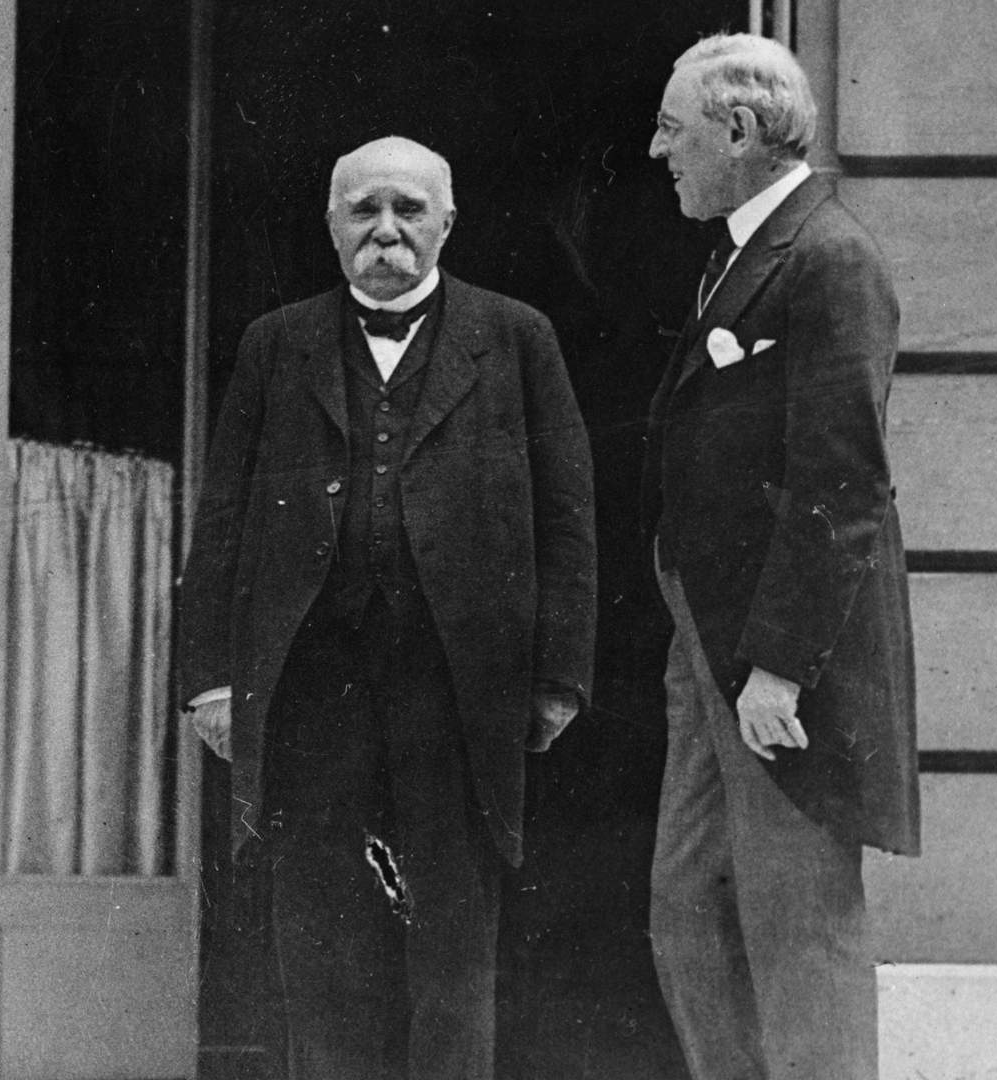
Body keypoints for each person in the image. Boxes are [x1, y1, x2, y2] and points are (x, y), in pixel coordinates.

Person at [175, 136, 596, 1080]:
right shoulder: (274, 343)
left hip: (461, 690)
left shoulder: (517, 337)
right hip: (312, 687)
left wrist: (558, 676)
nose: (386, 230)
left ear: (448, 223)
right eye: (363, 210)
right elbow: (225, 519)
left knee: (453, 952)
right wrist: (209, 679)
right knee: (319, 944)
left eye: (408, 209)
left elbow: (568, 516)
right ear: (332, 226)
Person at [643, 33, 918, 1080]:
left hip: (770, 657)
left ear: (740, 130)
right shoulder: (744, 250)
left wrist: (781, 665)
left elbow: (842, 483)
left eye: (673, 128)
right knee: (685, 906)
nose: (658, 148)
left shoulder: (829, 256)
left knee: (799, 927)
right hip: (705, 636)